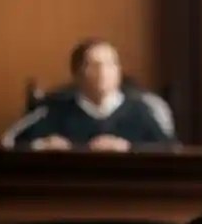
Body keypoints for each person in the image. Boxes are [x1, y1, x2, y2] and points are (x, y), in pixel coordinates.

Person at [14, 39, 176, 152]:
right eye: (94, 65)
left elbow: (171, 150)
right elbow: (10, 142)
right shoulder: (54, 110)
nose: (103, 72)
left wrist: (129, 148)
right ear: (77, 73)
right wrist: (40, 146)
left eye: (110, 64)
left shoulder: (141, 110)